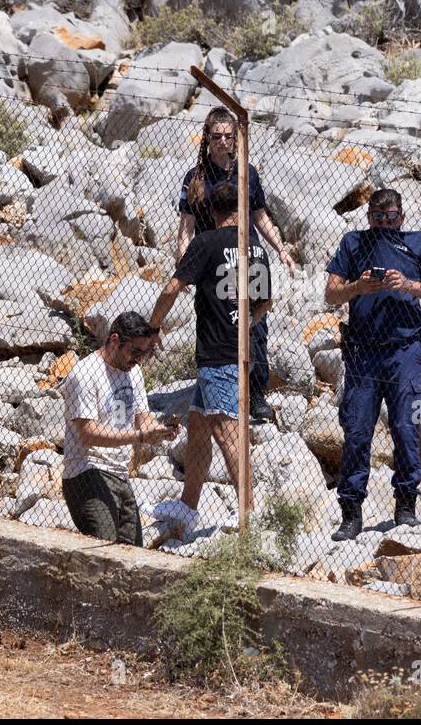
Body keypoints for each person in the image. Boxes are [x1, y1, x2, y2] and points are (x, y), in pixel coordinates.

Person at [324, 188, 421, 542]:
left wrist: (407, 284)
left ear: (402, 216)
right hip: (362, 352)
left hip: (404, 351)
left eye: (391, 217)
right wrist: (357, 288)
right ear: (368, 218)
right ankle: (351, 513)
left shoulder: (419, 242)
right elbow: (331, 294)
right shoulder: (353, 243)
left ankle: (406, 504)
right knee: (357, 431)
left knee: (407, 426)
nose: (384, 224)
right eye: (377, 218)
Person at [151, 181, 273, 525]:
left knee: (227, 434)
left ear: (210, 211)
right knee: (199, 425)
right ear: (243, 210)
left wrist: (153, 327)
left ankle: (248, 515)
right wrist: (244, 323)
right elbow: (264, 302)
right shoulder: (256, 247)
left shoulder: (204, 243)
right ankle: (188, 506)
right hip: (238, 349)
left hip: (216, 353)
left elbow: (173, 287)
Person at [177, 106, 291, 423]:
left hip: (246, 255)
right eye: (217, 137)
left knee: (255, 322)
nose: (223, 142)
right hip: (212, 259)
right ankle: (218, 389)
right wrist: (185, 267)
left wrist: (280, 248)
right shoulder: (195, 178)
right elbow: (185, 228)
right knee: (216, 324)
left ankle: (255, 393)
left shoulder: (246, 173)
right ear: (207, 138)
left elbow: (260, 215)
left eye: (229, 136)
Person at [61, 311, 179, 546]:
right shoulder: (84, 375)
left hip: (121, 474)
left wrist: (159, 431)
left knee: (132, 553)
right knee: (104, 548)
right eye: (134, 352)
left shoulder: (133, 372)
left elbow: (142, 420)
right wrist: (139, 436)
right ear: (114, 340)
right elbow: (88, 434)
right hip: (86, 472)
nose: (138, 359)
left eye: (144, 353)